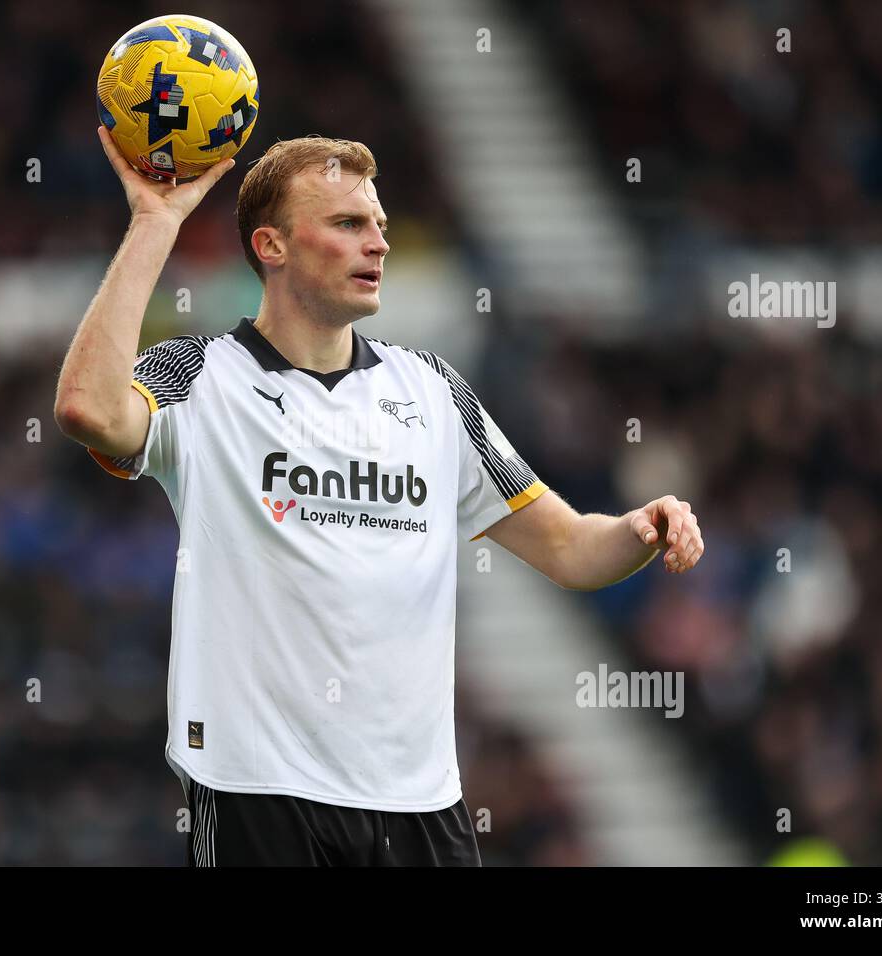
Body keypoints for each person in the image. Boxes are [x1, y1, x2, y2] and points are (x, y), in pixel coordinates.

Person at [54, 128, 705, 866]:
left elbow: (568, 548)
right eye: (348, 224)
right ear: (271, 246)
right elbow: (88, 410)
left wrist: (640, 528)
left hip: (418, 805)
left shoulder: (431, 390)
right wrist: (155, 224)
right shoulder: (201, 375)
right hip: (259, 793)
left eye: (381, 226)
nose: (379, 244)